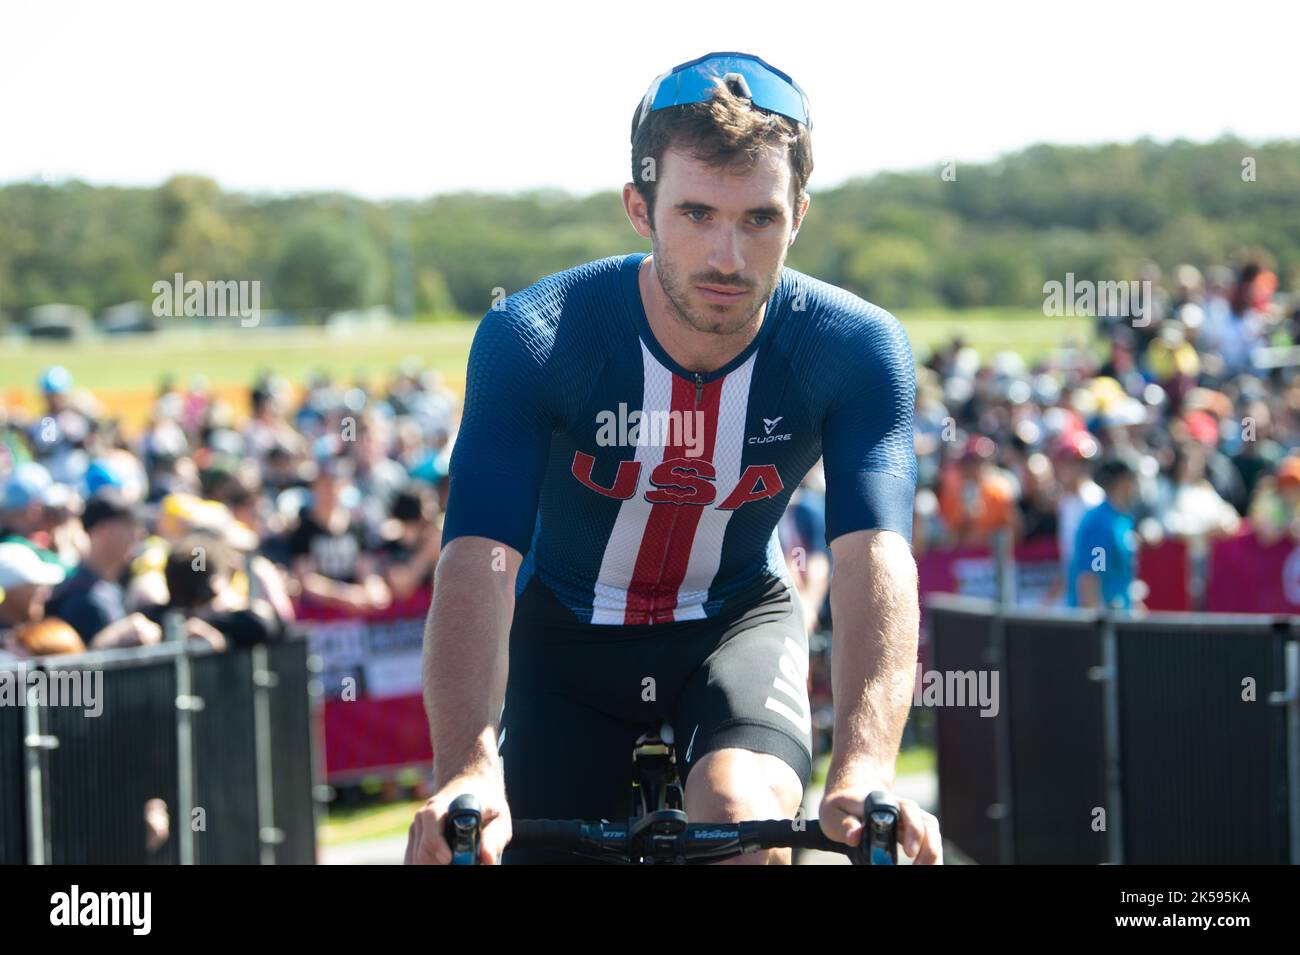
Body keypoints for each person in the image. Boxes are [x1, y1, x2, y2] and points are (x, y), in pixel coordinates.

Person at [406, 52, 939, 866]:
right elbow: (476, 557)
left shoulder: (857, 346)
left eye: (759, 218)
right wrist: (465, 771)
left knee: (737, 818)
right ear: (638, 208)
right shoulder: (535, 338)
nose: (728, 256)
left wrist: (865, 766)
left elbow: (877, 554)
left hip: (733, 623)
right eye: (695, 213)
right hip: (565, 637)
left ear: (799, 214)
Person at [1067, 458, 1143, 610]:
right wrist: (1098, 624)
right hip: (1106, 621)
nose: (1137, 486)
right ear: (1121, 482)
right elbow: (1092, 575)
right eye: (1132, 480)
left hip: (1121, 616)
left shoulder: (1123, 519)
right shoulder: (1100, 522)